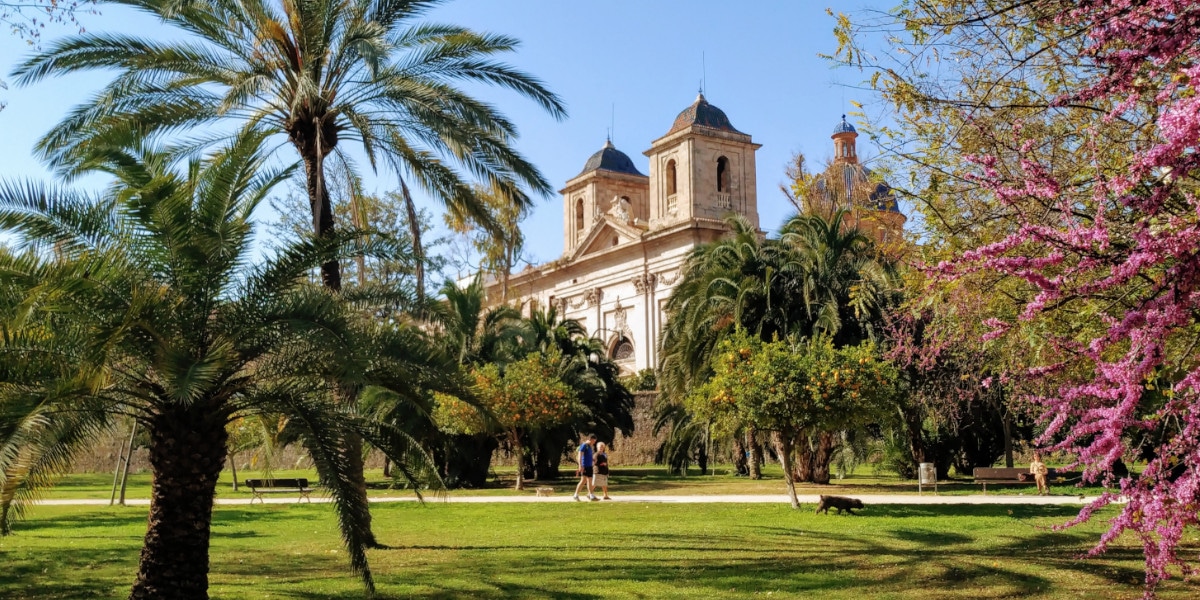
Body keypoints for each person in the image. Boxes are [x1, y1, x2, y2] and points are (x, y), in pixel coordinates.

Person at [573, 434, 598, 501]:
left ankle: (590, 495)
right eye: (593, 441)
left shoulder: (590, 447)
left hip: (589, 466)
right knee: (585, 480)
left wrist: (593, 459)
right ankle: (578, 495)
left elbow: (588, 456)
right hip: (585, 466)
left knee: (587, 480)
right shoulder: (584, 445)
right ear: (590, 439)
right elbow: (580, 455)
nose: (594, 443)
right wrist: (580, 465)